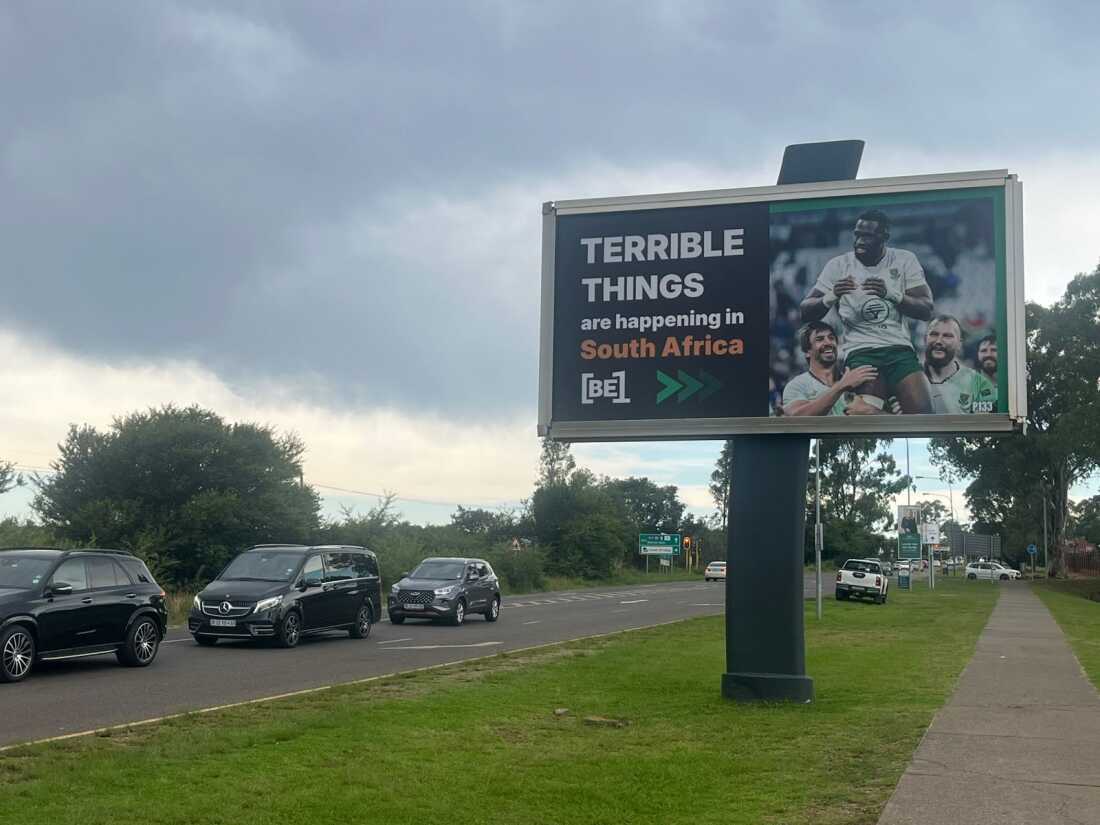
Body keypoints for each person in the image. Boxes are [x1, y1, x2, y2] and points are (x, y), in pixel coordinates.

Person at [800, 209, 935, 413]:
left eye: (867, 236)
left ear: (884, 237)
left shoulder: (904, 259)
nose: (859, 241)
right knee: (864, 420)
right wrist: (831, 296)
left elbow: (926, 310)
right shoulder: (838, 265)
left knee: (925, 419)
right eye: (857, 235)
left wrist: (894, 295)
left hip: (899, 349)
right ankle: (888, 414)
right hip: (861, 352)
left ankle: (889, 413)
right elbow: (805, 311)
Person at [780, 321, 877, 416]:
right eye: (819, 339)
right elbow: (798, 418)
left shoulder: (857, 380)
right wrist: (841, 386)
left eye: (831, 338)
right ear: (807, 351)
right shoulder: (798, 385)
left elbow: (887, 418)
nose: (828, 342)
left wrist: (873, 412)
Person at [923, 315, 996, 413]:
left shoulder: (979, 384)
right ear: (925, 339)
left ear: (959, 344)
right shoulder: (908, 379)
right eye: (934, 334)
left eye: (947, 336)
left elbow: (985, 423)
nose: (939, 341)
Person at [976, 333, 999, 410]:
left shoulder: (1012, 384)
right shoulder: (968, 384)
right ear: (977, 354)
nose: (988, 354)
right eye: (983, 351)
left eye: (994, 350)